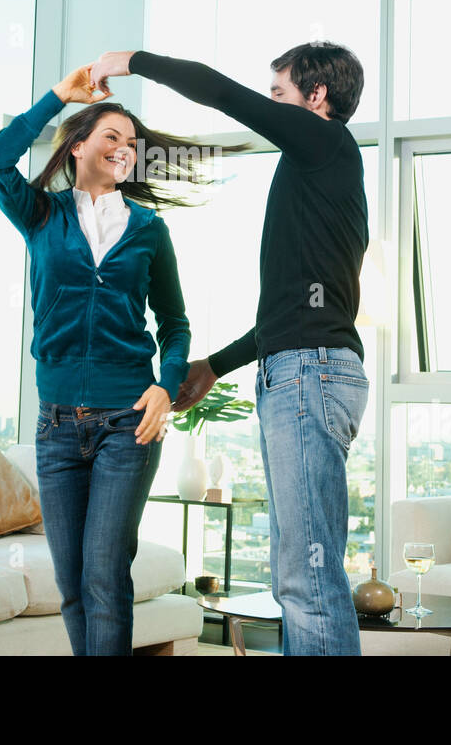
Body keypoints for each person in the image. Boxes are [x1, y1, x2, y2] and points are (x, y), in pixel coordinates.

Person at [88, 43, 370, 656]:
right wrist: (215, 367)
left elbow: (218, 91)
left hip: (309, 375)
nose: (271, 106)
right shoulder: (322, 172)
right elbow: (293, 315)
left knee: (307, 577)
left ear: (315, 98)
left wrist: (128, 61)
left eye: (279, 93)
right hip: (307, 367)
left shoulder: (322, 143)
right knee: (302, 571)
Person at [0, 64, 239, 655]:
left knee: (104, 573)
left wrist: (164, 388)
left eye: (132, 143)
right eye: (111, 137)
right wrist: (57, 98)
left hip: (130, 421)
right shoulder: (42, 215)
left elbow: (175, 325)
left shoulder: (149, 229)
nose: (124, 149)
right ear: (77, 148)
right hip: (58, 426)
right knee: (71, 584)